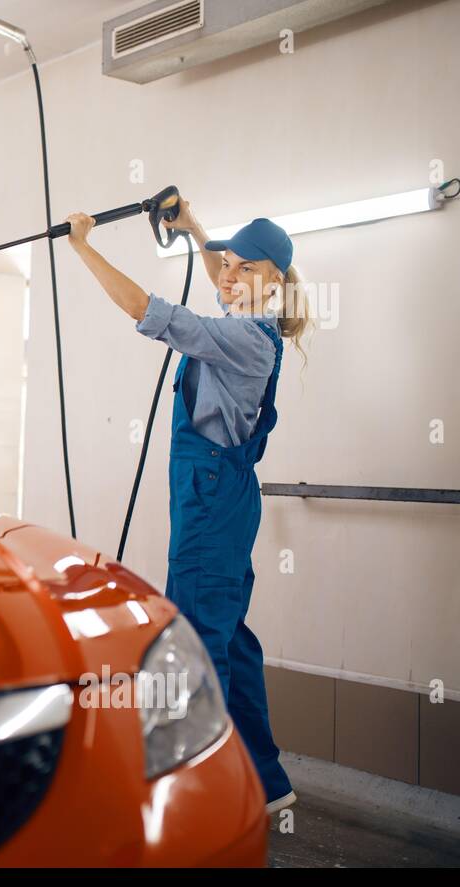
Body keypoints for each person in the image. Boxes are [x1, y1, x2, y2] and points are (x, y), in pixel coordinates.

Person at [63, 202, 312, 815]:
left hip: (211, 499)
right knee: (231, 637)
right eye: (225, 265)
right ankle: (266, 781)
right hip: (225, 494)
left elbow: (143, 309)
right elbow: (220, 279)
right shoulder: (250, 325)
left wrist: (81, 246)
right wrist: (196, 227)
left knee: (198, 640)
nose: (227, 277)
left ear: (273, 278)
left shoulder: (241, 338)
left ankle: (209, 795)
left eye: (242, 268)